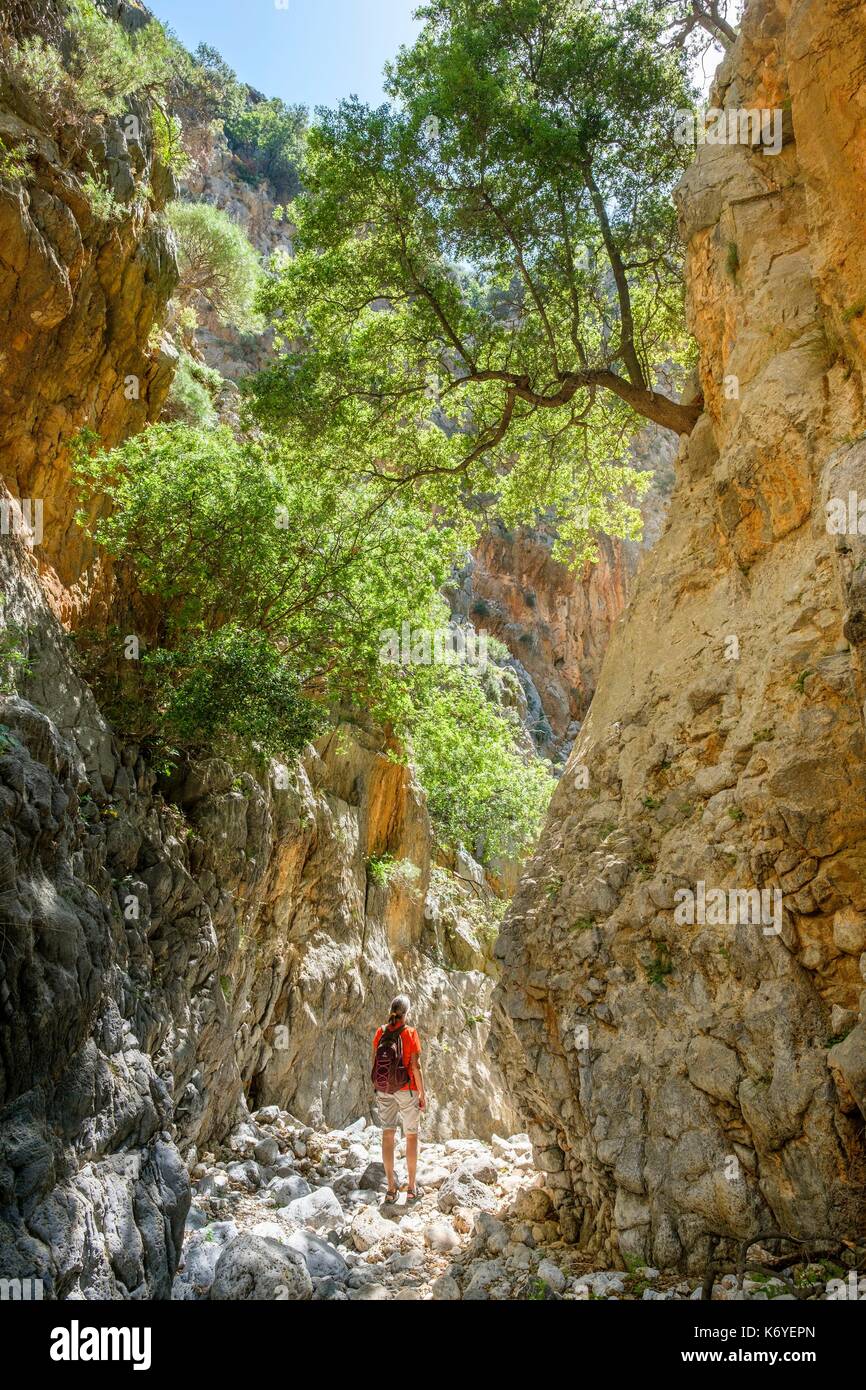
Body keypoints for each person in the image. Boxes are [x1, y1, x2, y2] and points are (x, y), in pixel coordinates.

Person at [371, 994, 427, 1203]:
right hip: (407, 1088)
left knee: (388, 1136)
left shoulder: (380, 1032)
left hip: (384, 1089)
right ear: (407, 1013)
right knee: (411, 1136)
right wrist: (422, 1093)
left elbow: (376, 1062)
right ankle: (411, 1188)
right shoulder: (410, 1033)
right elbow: (415, 1066)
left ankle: (391, 1188)